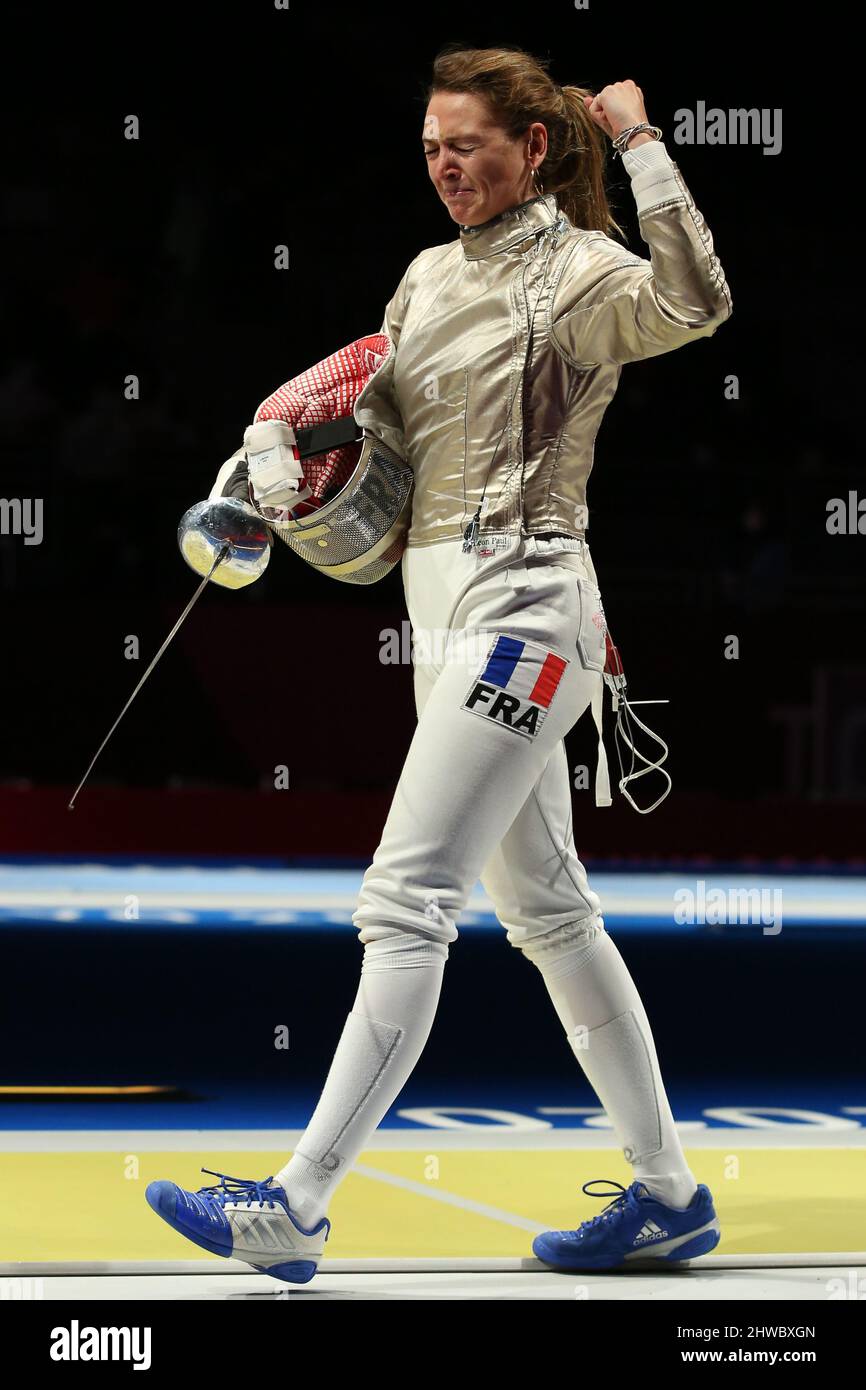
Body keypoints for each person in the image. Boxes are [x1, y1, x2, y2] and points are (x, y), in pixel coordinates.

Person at [146, 45, 732, 1282]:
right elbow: (380, 503)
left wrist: (639, 143)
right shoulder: (421, 278)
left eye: (467, 143)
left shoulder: (576, 271)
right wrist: (284, 483)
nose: (445, 165)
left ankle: (295, 1206)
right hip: (443, 606)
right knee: (552, 914)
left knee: (405, 899)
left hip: (527, 610)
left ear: (530, 148)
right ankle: (672, 1195)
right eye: (429, 147)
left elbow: (694, 304)